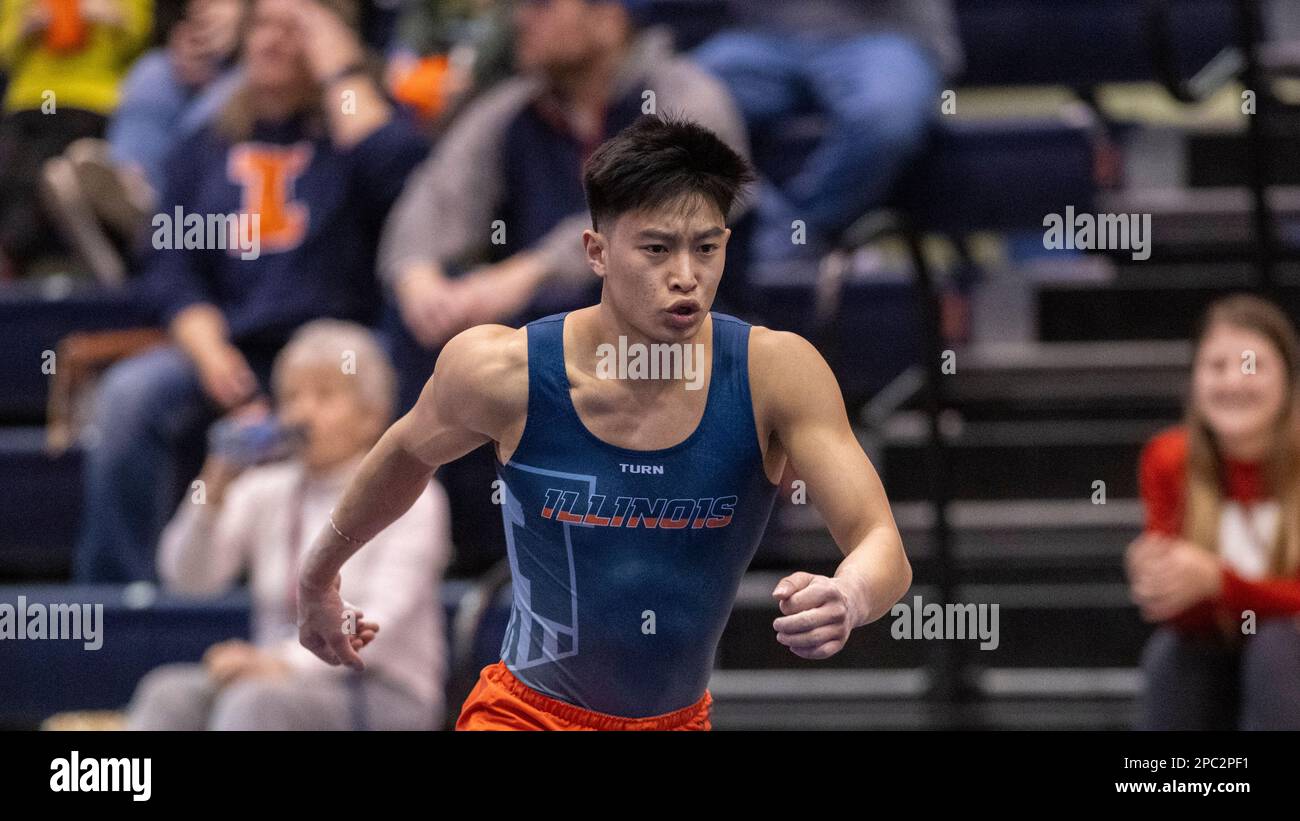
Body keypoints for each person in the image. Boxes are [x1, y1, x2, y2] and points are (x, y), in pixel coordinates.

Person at [297, 114, 911, 730]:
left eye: (706, 248)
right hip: (521, 716)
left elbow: (880, 543)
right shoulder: (501, 371)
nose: (686, 277)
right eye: (656, 249)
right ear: (596, 252)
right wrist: (319, 576)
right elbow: (408, 452)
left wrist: (849, 595)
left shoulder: (775, 374)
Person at [72, 0, 429, 582]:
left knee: (374, 378)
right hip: (229, 346)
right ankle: (122, 598)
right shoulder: (205, 144)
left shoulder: (354, 136)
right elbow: (166, 262)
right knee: (129, 396)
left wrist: (341, 75)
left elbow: (405, 184)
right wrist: (207, 347)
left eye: (296, 28)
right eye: (263, 23)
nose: (274, 40)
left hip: (332, 342)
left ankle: (351, 589)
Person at [126, 319, 451, 730]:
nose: (302, 412)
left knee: (257, 704)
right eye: (292, 396)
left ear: (373, 416)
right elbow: (189, 579)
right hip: (274, 680)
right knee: (168, 693)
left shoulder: (413, 496)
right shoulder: (267, 487)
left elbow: (379, 624)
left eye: (324, 396)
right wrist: (215, 482)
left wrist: (278, 663)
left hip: (383, 690)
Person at [1127, 293, 1300, 730]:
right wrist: (1158, 581)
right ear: (1195, 380)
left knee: (1276, 646)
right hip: (1214, 647)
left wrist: (1216, 582)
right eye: (1216, 366)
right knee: (1171, 654)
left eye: (1251, 365)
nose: (1233, 383)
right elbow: (1183, 620)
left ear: (1289, 380)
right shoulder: (1167, 459)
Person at [693, 0, 961, 280]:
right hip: (763, 38)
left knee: (886, 115)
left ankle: (797, 236)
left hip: (887, 35)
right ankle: (766, 231)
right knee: (675, 99)